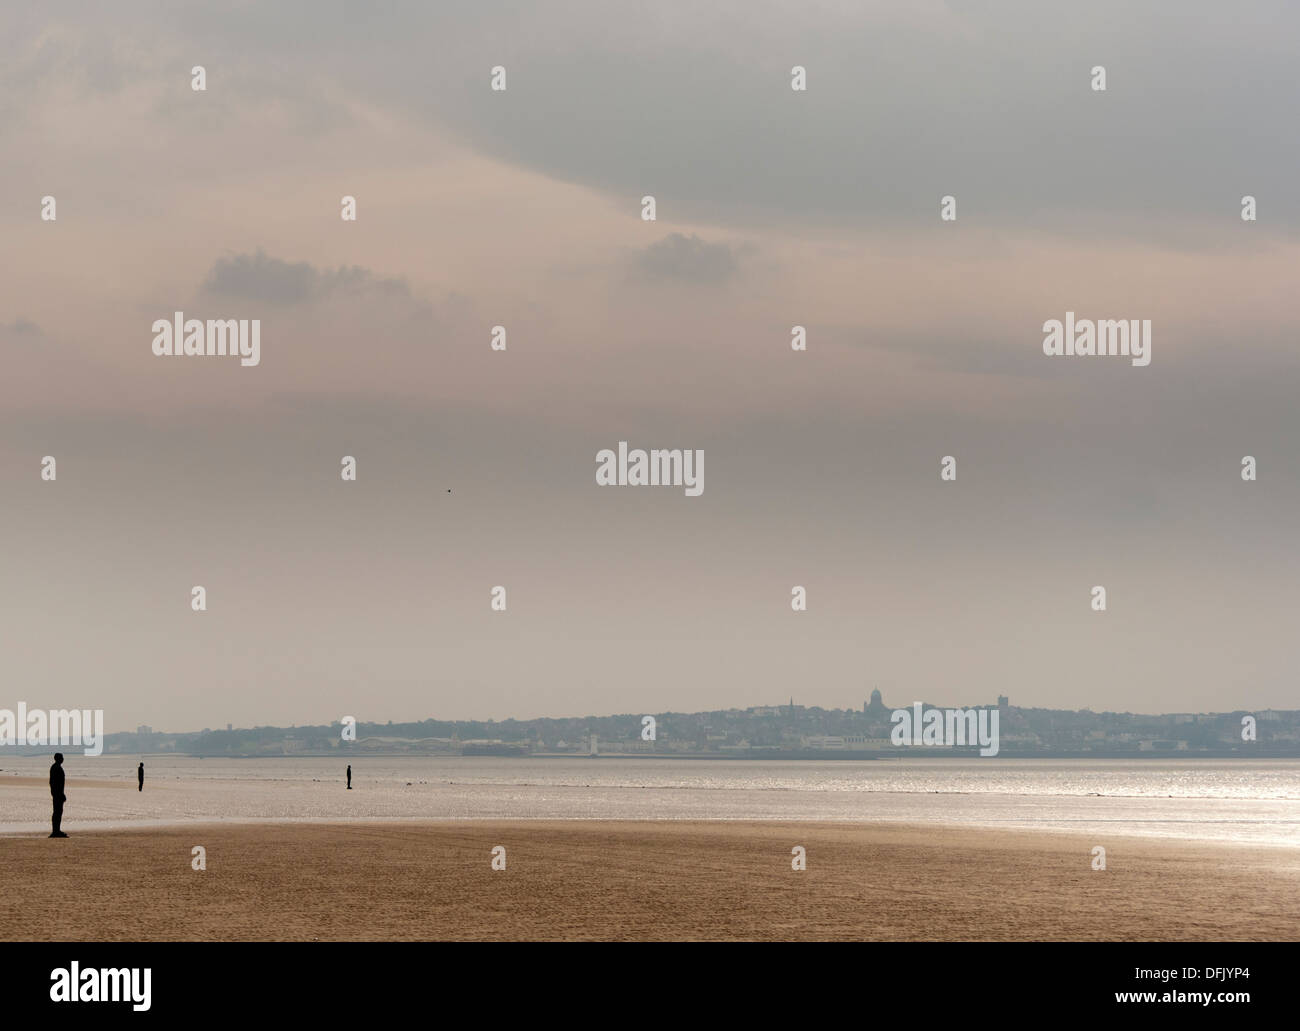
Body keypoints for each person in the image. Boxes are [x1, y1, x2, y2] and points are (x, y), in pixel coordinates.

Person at [49, 753, 67, 838]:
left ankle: (56, 830)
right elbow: (55, 783)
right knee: (57, 812)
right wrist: (60, 794)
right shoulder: (56, 768)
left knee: (58, 812)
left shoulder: (56, 767)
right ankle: (55, 831)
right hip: (57, 793)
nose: (63, 759)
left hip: (57, 793)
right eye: (62, 757)